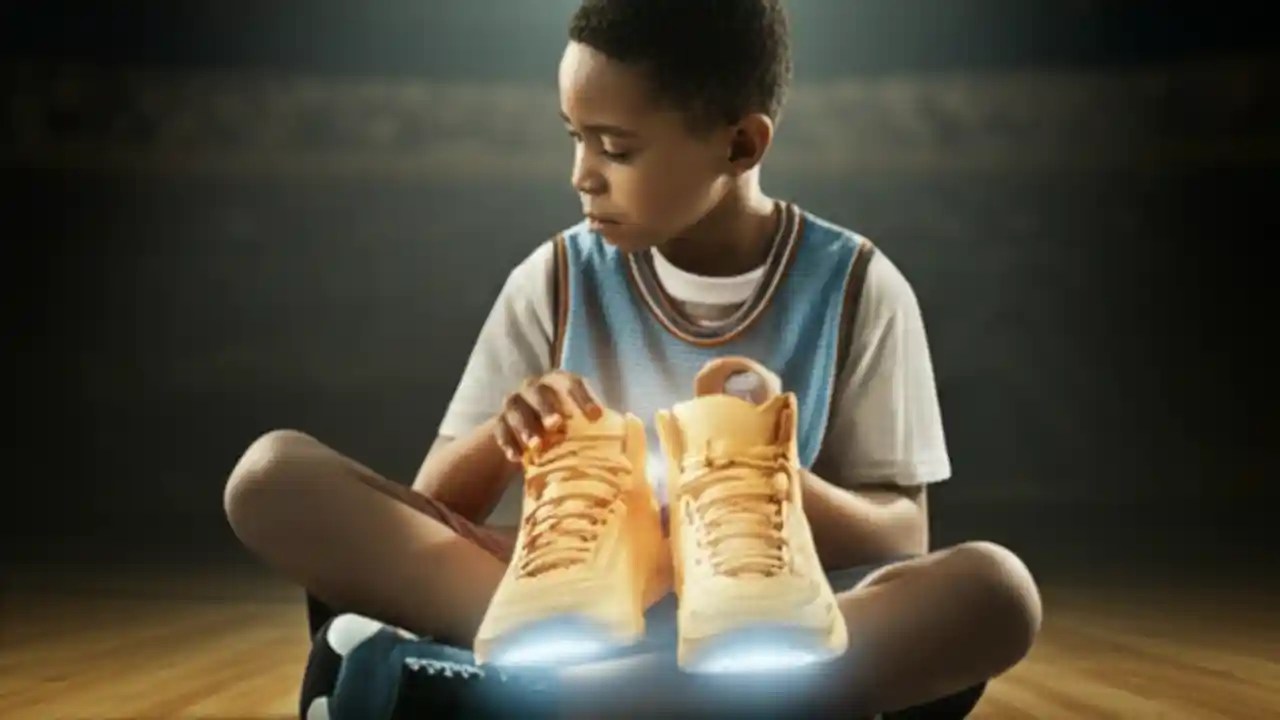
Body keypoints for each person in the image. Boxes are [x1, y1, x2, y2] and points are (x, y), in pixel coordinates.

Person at [224, 1, 1041, 717]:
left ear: (741, 145)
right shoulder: (553, 277)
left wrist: (768, 481)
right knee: (271, 478)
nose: (582, 176)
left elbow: (903, 535)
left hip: (761, 604)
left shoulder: (860, 286)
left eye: (616, 149)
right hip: (558, 597)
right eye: (575, 139)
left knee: (996, 591)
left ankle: (524, 699)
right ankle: (708, 703)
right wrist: (503, 437)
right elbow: (430, 508)